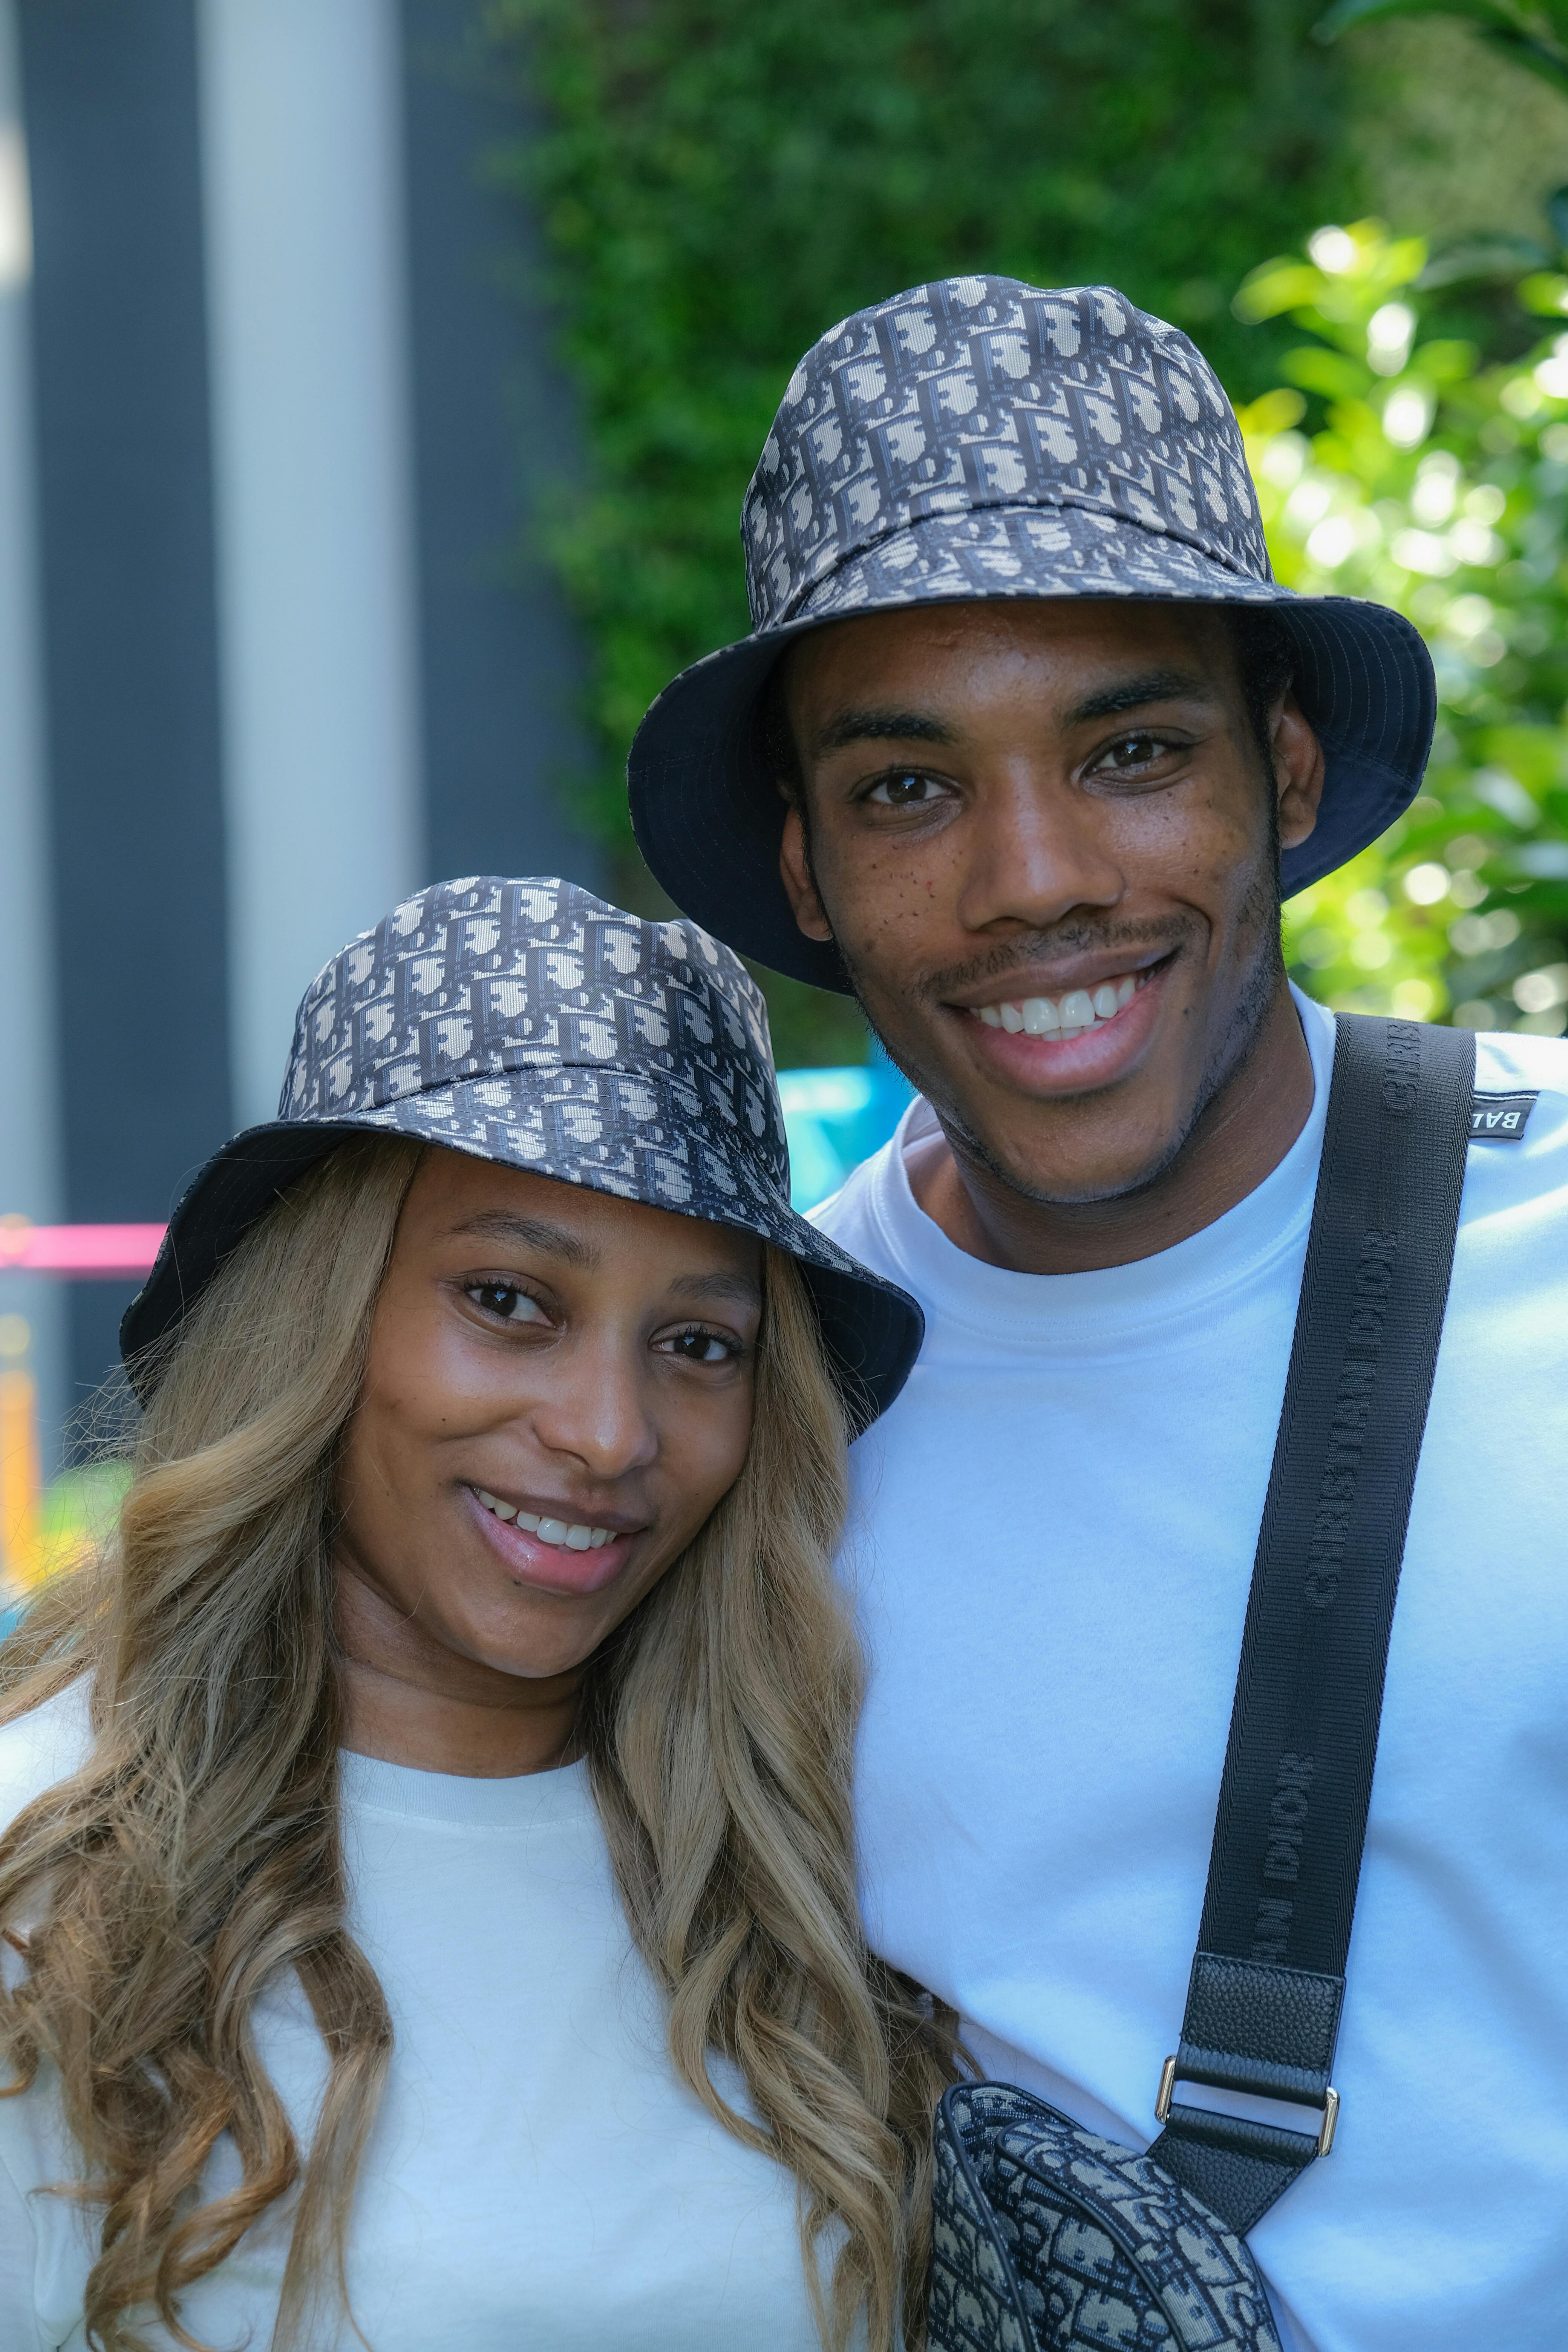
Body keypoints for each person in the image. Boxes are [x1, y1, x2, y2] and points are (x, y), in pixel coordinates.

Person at [627, 277, 1568, 2351]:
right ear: (801, 867)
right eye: (906, 790)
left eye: (1131, 751)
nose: (1034, 877)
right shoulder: (736, 1413)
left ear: (1288, 773)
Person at [0, 877, 951, 2352]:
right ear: (320, 1316)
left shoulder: (786, 1857)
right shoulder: (51, 1880)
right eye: (510, 1299)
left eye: (699, 1342)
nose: (608, 1432)